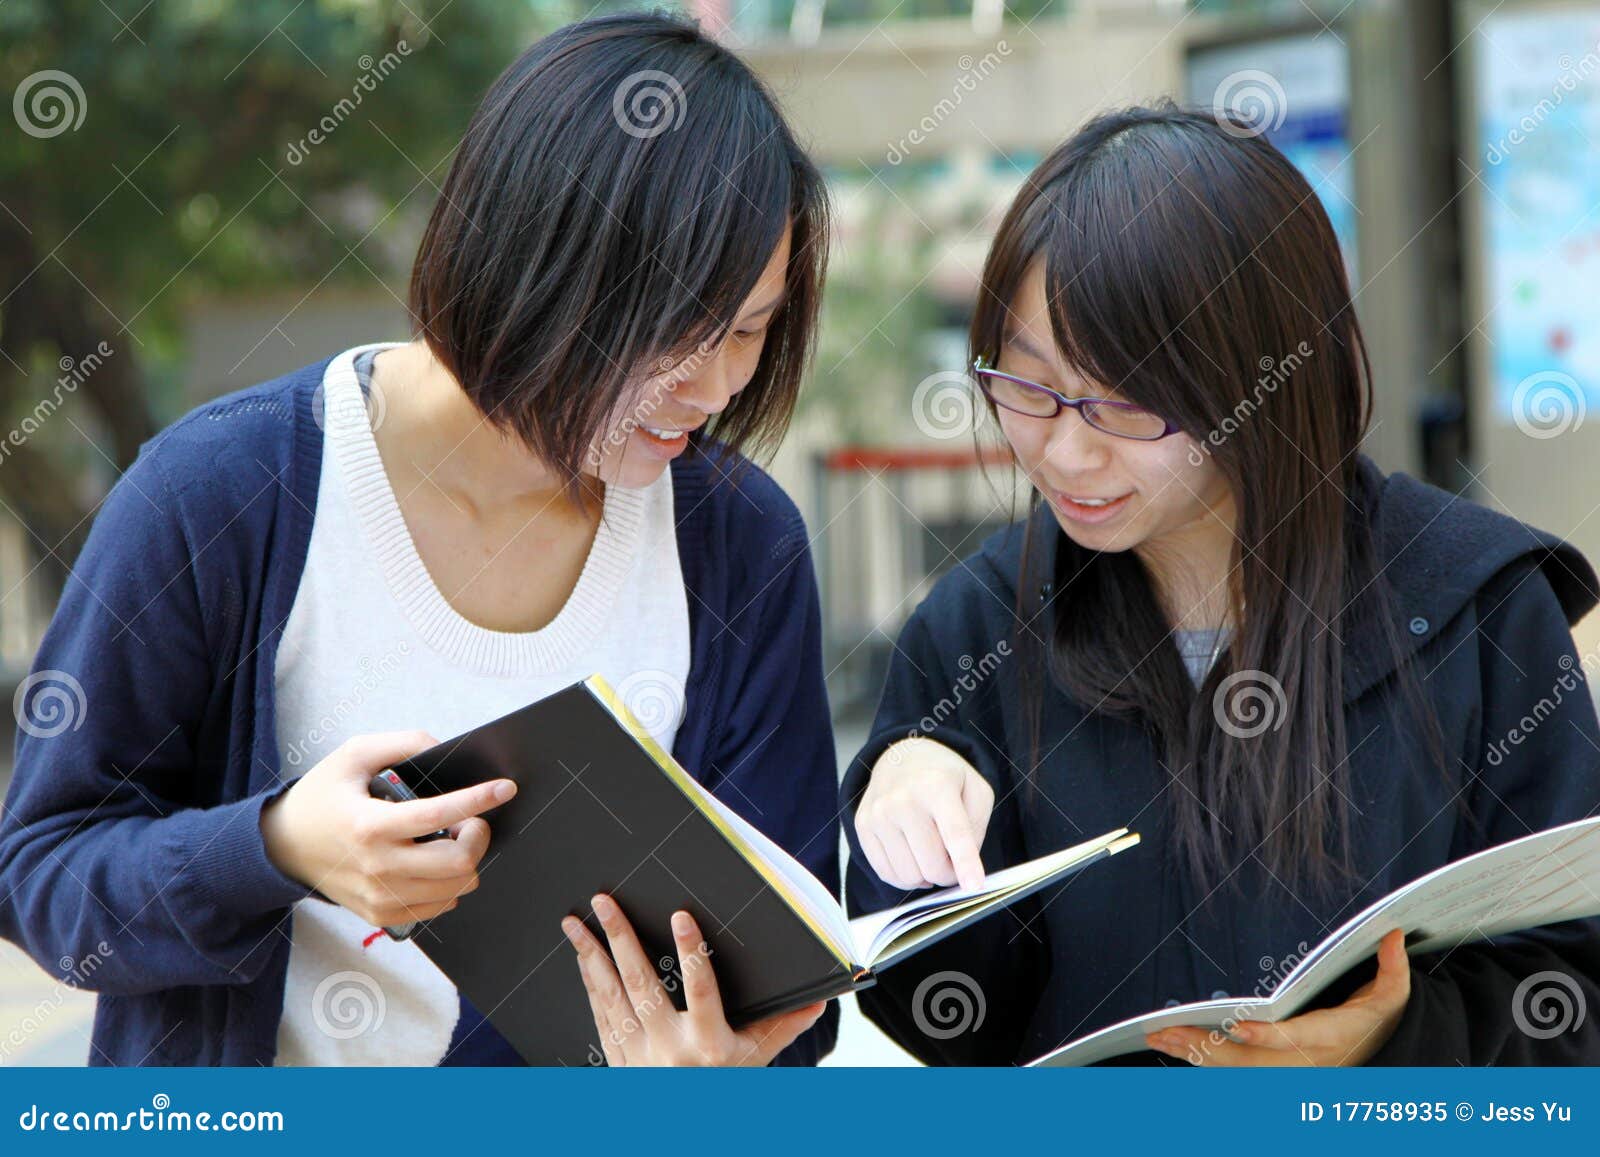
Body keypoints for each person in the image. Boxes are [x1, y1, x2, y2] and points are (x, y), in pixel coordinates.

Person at [0, 12, 837, 1068]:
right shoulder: (219, 493)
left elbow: (804, 981)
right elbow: (41, 875)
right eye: (678, 333)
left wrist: (716, 1071)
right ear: (536, 268)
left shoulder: (741, 544)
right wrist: (277, 846)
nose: (714, 387)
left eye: (751, 331)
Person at [845, 104, 1600, 1066]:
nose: (1064, 450)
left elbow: (1572, 996)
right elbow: (945, 1023)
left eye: (1124, 401)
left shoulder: (1480, 610)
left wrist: (1391, 1042)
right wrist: (906, 829)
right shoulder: (976, 629)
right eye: (1028, 386)